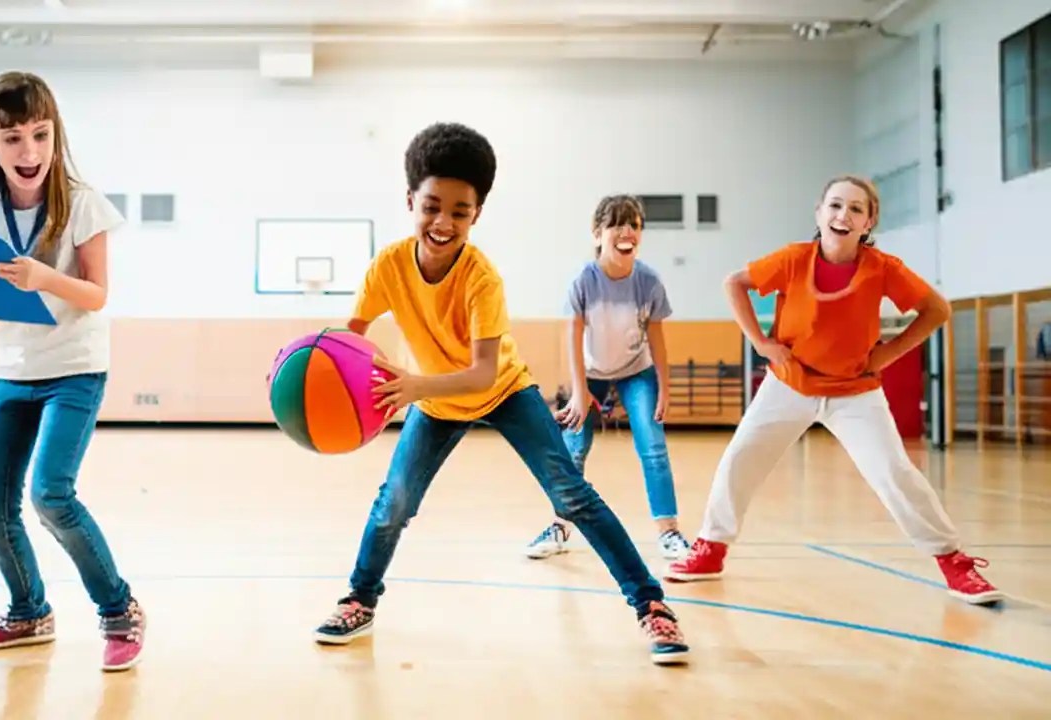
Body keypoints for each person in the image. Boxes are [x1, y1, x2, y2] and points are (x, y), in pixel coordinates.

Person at [311, 122, 689, 665]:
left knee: (573, 497)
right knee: (393, 504)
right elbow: (352, 338)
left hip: (503, 391)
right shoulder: (389, 266)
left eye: (459, 212)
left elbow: (482, 374)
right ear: (410, 200)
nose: (443, 222)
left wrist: (413, 386)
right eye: (431, 206)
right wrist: (322, 376)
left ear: (476, 214)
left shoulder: (481, 279)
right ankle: (359, 599)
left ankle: (651, 605)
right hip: (437, 401)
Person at [664, 175, 1003, 606]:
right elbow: (735, 283)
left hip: (854, 392)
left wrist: (888, 353)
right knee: (740, 459)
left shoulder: (883, 269)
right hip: (789, 384)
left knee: (894, 472)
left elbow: (937, 309)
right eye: (836, 205)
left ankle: (954, 562)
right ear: (820, 213)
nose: (844, 215)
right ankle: (710, 549)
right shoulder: (793, 259)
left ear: (869, 221)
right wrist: (761, 342)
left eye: (856, 209)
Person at [0, 71, 147, 671]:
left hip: (75, 369)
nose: (29, 152)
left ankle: (119, 609)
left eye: (40, 135)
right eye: (12, 139)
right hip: (14, 367)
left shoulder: (82, 202)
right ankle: (27, 611)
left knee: (51, 494)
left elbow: (97, 293)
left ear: (56, 136)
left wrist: (43, 276)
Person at [525, 195, 691, 562]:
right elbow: (572, 336)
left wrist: (663, 387)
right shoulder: (584, 280)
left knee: (653, 447)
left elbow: (658, 337)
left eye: (634, 224)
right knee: (573, 449)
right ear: (598, 234)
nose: (627, 231)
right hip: (591, 373)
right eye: (617, 224)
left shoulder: (648, 281)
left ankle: (670, 532)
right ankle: (559, 526)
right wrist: (579, 391)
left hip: (637, 372)